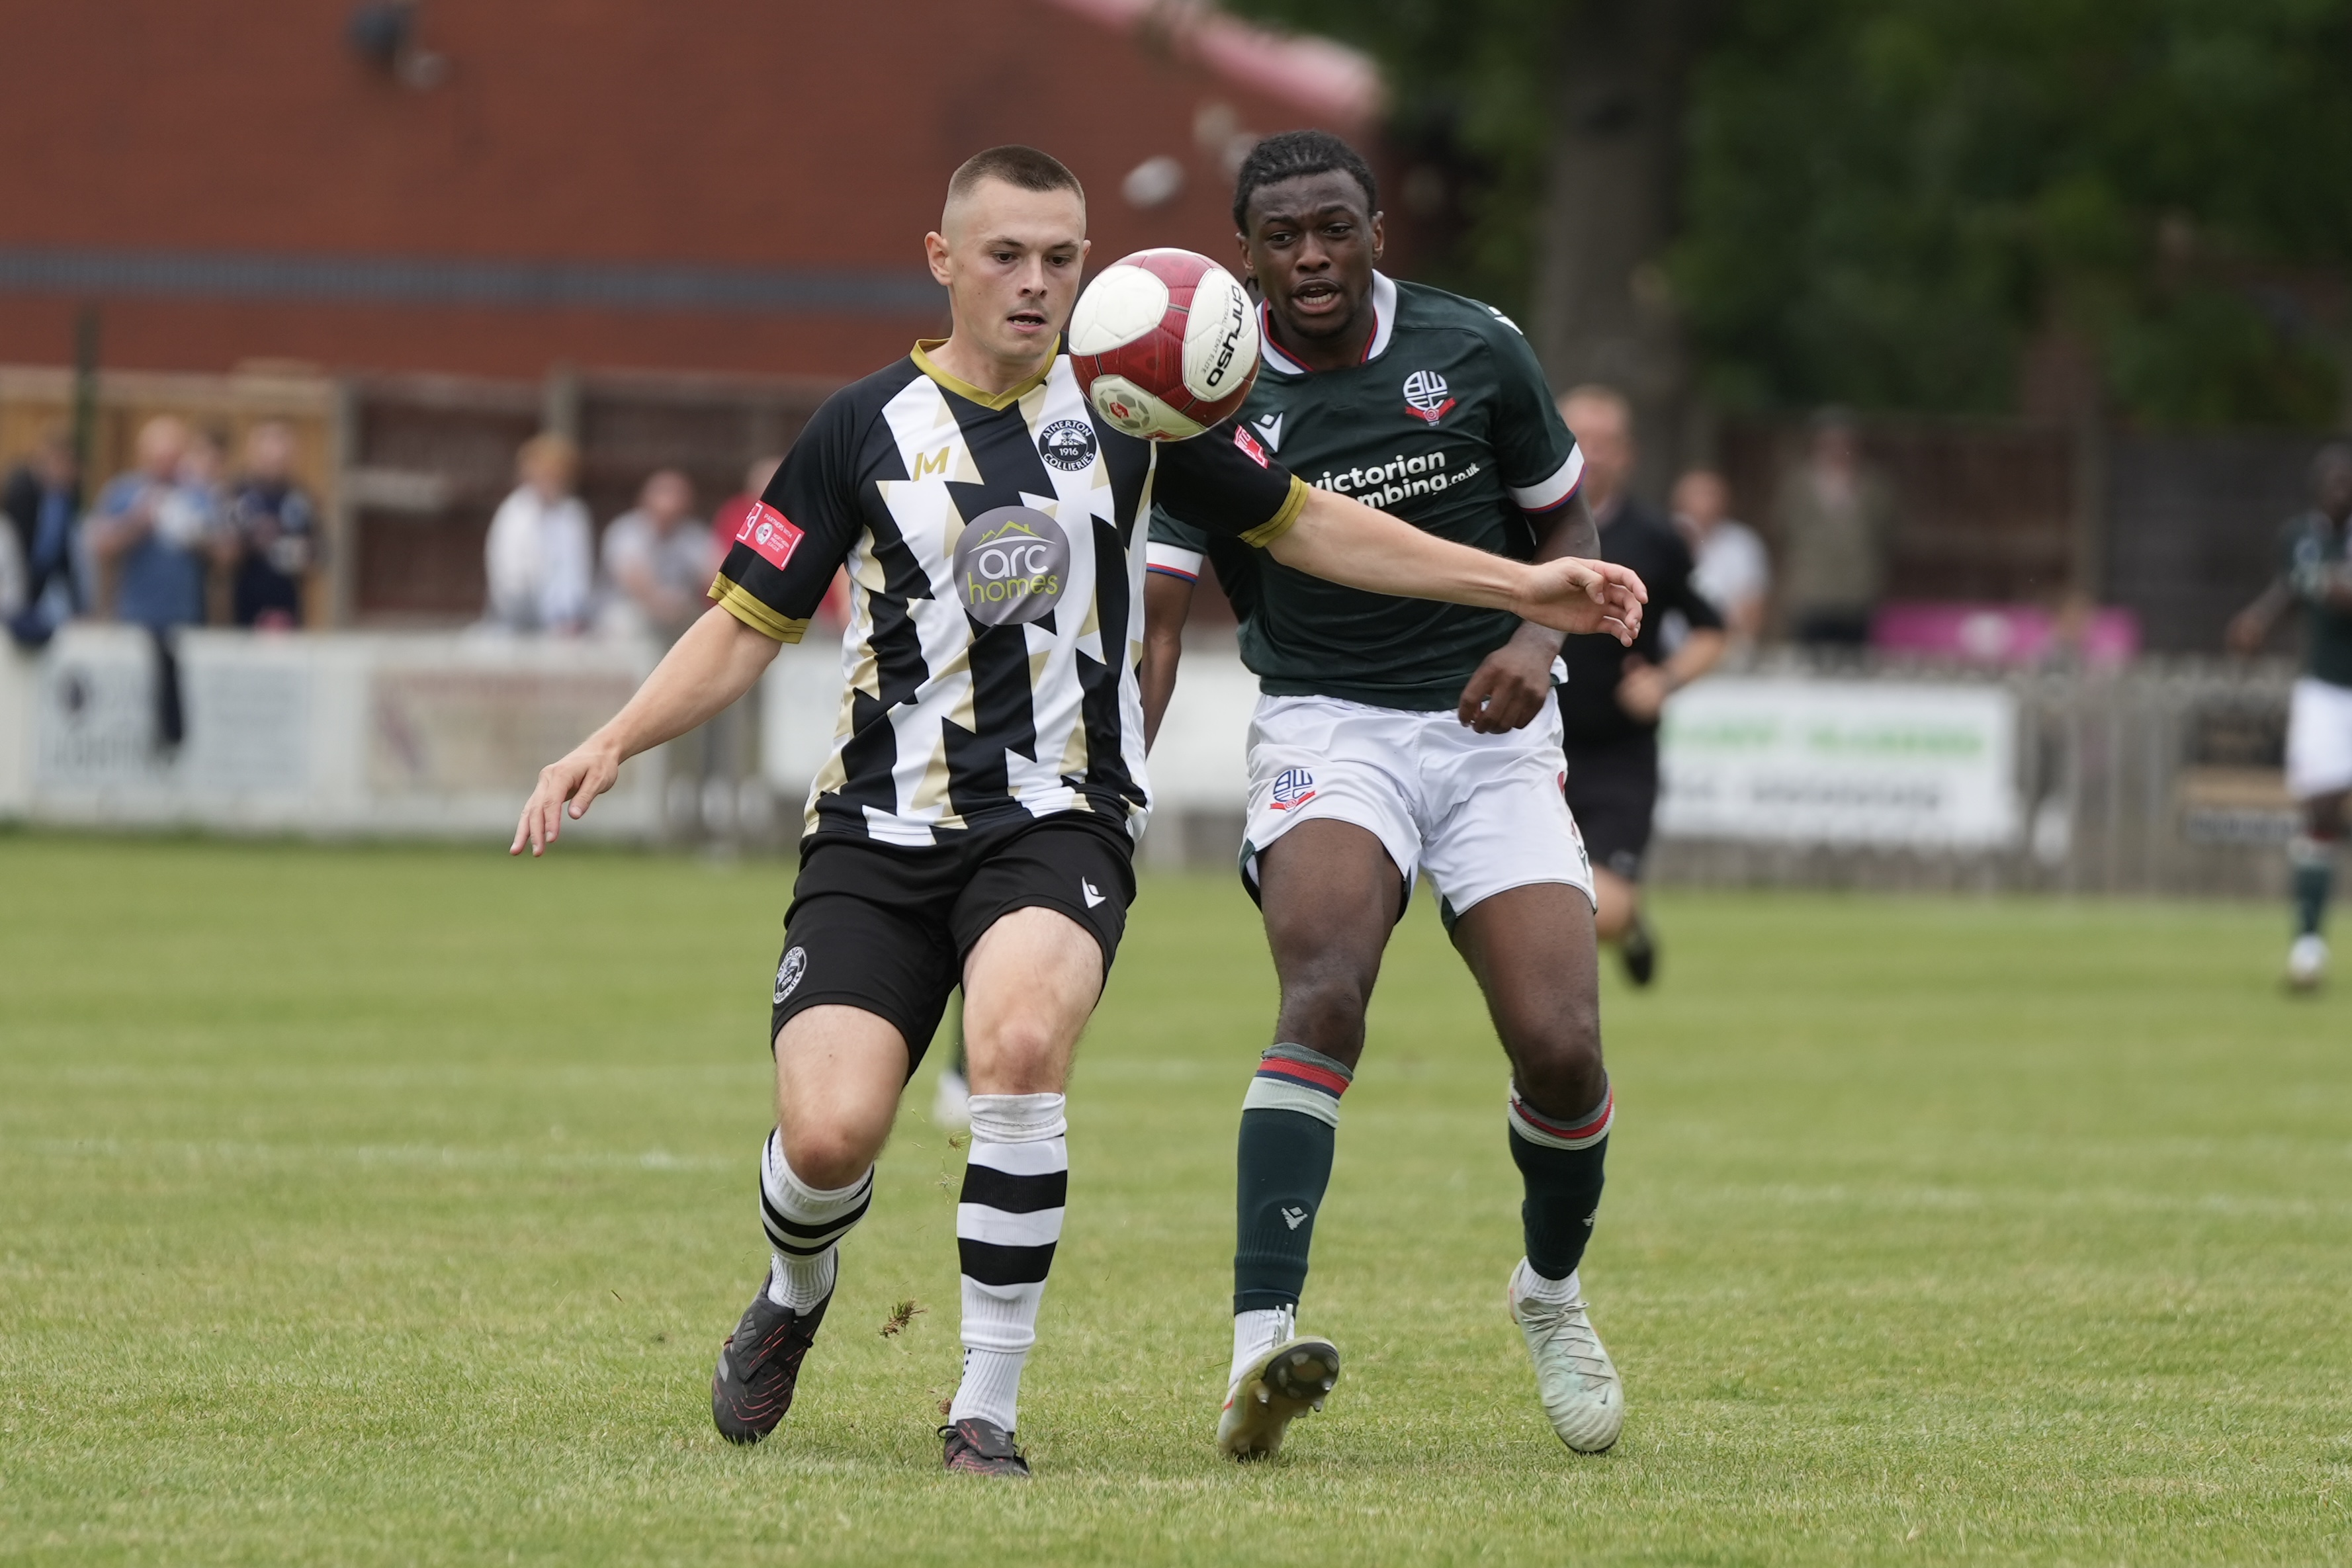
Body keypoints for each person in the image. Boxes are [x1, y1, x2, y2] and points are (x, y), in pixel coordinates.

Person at [509, 144, 1643, 1481]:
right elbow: (743, 626)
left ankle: (982, 1407)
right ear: (943, 262)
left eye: (1062, 258)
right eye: (1006, 256)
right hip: (878, 833)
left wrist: (1519, 592)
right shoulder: (859, 426)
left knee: (1022, 1042)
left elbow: (1314, 527)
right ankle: (796, 1289)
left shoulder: (1135, 415)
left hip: (1059, 823)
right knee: (825, 1137)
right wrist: (612, 739)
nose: (1036, 283)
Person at [1141, 130, 1641, 1461]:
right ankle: (1257, 1348)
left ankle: (1548, 1291)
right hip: (1325, 725)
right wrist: (1109, 780)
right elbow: (1158, 615)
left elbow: (1565, 535)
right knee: (1324, 989)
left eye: (1335, 230)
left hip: (1488, 738)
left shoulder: (1474, 347)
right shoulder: (1203, 390)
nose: (1312, 258)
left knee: (1562, 1045)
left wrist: (1536, 648)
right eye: (1283, 238)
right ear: (1244, 250)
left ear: (1376, 230)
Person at [1557, 388, 1728, 987]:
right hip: (1528, 746)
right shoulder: (1514, 525)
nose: (1591, 455)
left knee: (1601, 910)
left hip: (1617, 756)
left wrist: (1665, 680)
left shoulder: (1656, 537)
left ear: (1626, 454)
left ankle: (1629, 923)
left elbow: (1712, 630)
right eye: (1579, 438)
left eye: (1605, 444)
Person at [2226, 440, 2352, 990]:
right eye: (2333, 481)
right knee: (2319, 810)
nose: (2340, 490)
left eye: (2348, 481)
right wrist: (2256, 621)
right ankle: (2307, 947)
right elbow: (2289, 592)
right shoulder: (2297, 540)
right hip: (2323, 690)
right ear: (2317, 487)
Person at [88, 416, 218, 746]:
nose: (166, 466)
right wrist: (137, 524)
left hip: (186, 616)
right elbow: (98, 545)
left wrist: (197, 537)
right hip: (134, 616)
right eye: (160, 458)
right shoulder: (124, 492)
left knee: (182, 699)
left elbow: (225, 553)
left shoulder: (198, 495)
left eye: (173, 457)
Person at [1773, 409, 1894, 647]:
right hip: (1811, 591)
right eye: (1829, 442)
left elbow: (1887, 531)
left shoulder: (1873, 484)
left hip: (1858, 592)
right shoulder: (1798, 483)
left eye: (1843, 442)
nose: (1837, 448)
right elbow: (1783, 527)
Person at [483, 433, 593, 634]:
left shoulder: (573, 514)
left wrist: (570, 614)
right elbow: (510, 578)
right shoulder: (514, 513)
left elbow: (576, 572)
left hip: (566, 619)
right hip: (518, 613)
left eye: (556, 475)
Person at [222, 421, 320, 629]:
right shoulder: (238, 495)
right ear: (254, 453)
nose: (275, 459)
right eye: (268, 451)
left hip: (288, 606)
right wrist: (249, 543)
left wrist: (301, 553)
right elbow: (223, 554)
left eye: (281, 452)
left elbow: (319, 553)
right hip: (245, 607)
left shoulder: (300, 498)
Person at [598, 468, 713, 642]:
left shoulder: (693, 535)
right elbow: (634, 579)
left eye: (679, 494)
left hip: (680, 612)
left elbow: (716, 572)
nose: (672, 500)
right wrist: (661, 604)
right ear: (645, 498)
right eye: (665, 493)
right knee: (628, 625)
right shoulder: (627, 530)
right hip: (633, 608)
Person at [2, 427, 82, 644]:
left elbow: (64, 554)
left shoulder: (66, 496)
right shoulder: (22, 490)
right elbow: (16, 547)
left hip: (43, 584)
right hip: (18, 579)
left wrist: (77, 602)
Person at [1672, 468, 1768, 646]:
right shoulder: (1663, 537)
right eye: (1698, 494)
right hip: (1668, 651)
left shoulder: (1743, 544)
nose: (1705, 502)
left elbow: (1753, 606)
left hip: (1726, 648)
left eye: (1711, 494)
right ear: (1679, 499)